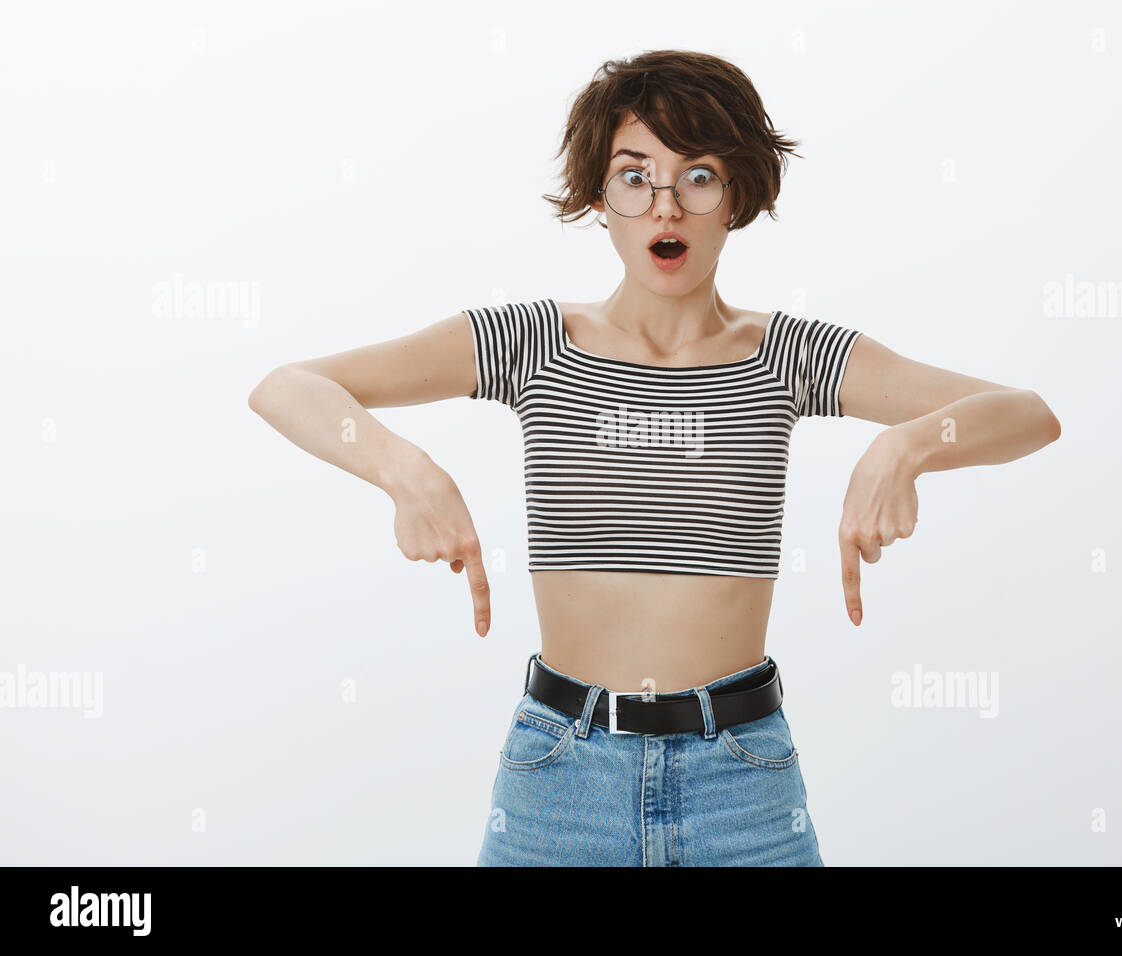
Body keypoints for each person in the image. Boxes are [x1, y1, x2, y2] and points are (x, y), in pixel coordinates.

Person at [247, 49, 1061, 866]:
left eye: (697, 176)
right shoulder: (532, 342)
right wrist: (403, 470)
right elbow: (288, 387)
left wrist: (909, 444)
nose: (664, 206)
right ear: (600, 198)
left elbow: (1029, 415)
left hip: (742, 785)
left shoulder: (786, 355)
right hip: (558, 783)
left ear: (736, 192)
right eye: (635, 177)